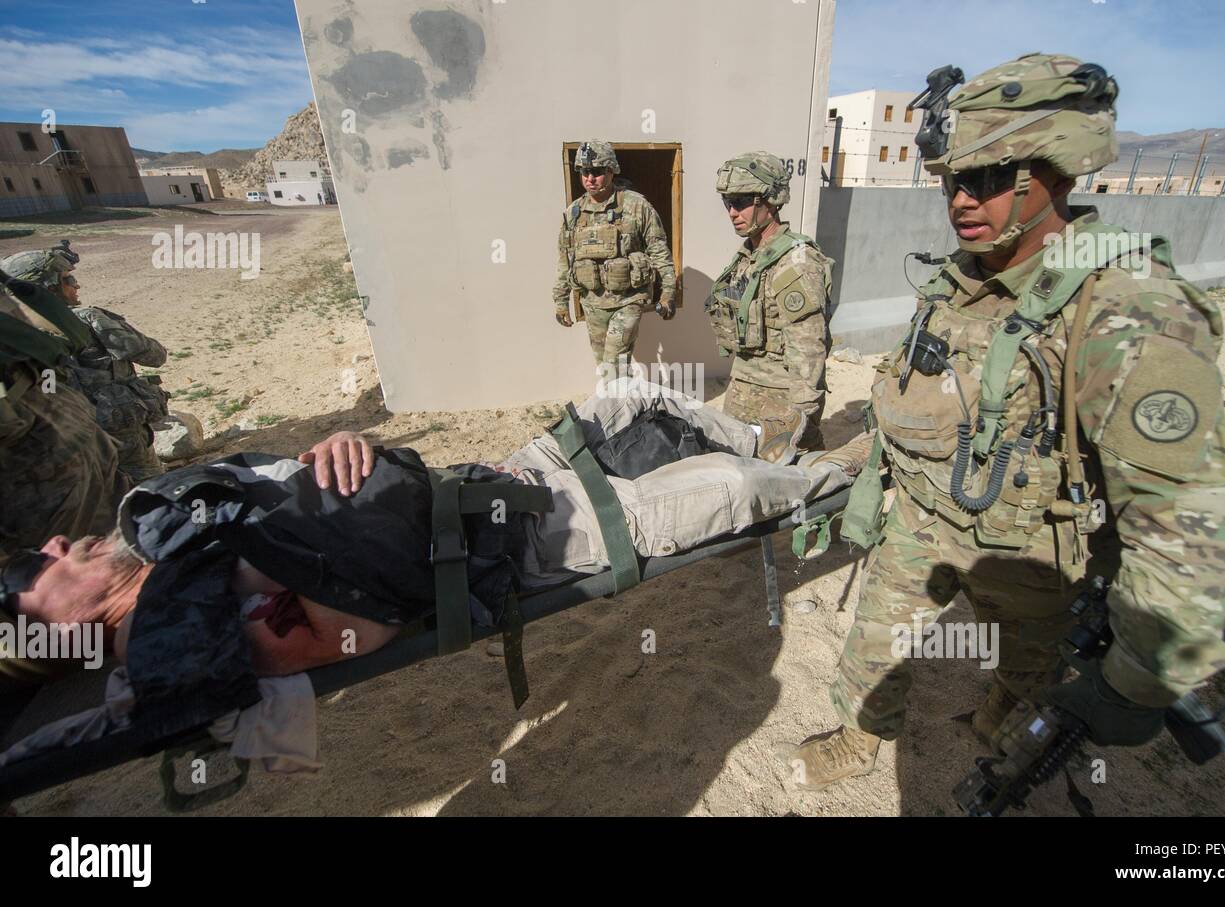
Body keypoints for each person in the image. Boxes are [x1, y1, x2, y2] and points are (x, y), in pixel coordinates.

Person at [786, 54, 1225, 789]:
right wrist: (849, 463)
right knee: (874, 648)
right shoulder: (962, 280)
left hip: (1034, 553)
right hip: (923, 522)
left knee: (1026, 674)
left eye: (988, 179)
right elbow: (915, 395)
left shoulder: (1125, 308)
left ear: (1056, 175)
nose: (962, 200)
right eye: (951, 182)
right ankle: (859, 735)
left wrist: (1136, 678)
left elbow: (1186, 525)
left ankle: (999, 717)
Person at [4, 380, 872, 687]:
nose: (49, 546)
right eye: (30, 576)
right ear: (59, 627)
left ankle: (769, 441)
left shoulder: (179, 544)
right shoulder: (184, 628)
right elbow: (358, 630)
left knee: (628, 396)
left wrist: (350, 447)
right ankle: (852, 475)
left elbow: (302, 488)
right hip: (542, 541)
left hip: (489, 483)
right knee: (734, 489)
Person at [1, 244, 169, 484]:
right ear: (47, 287)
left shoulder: (13, 333)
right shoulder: (87, 319)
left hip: (55, 434)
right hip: (113, 424)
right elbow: (154, 356)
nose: (76, 285)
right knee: (150, 489)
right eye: (68, 279)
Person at [706, 152, 833, 452]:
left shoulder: (795, 261)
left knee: (792, 485)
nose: (732, 212)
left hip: (781, 398)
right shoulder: (749, 256)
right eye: (728, 203)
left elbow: (808, 344)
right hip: (742, 389)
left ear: (769, 201)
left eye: (741, 202)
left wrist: (801, 416)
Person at [553, 140, 676, 369]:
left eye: (597, 172)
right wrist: (561, 302)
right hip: (593, 302)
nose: (590, 178)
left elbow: (658, 250)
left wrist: (668, 292)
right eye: (585, 171)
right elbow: (565, 259)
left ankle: (618, 402)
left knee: (614, 362)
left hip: (629, 300)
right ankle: (620, 402)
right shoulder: (573, 213)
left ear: (611, 171)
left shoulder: (636, 205)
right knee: (605, 367)